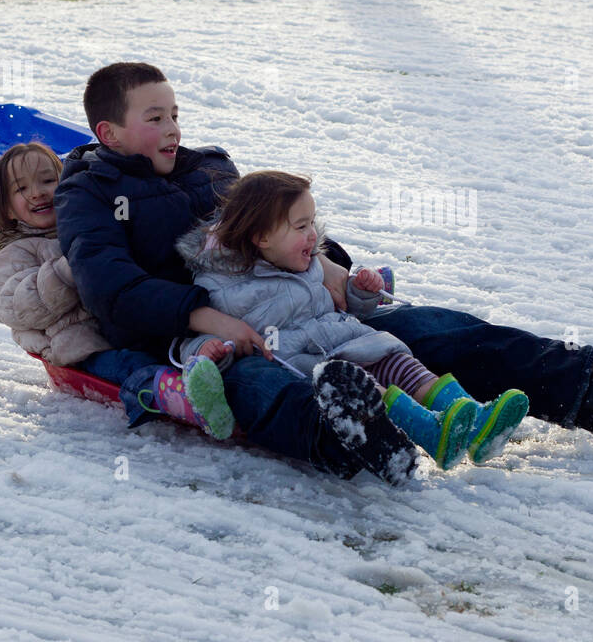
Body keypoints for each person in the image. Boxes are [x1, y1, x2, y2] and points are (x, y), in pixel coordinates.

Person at [55, 62, 593, 486]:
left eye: (176, 113)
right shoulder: (89, 195)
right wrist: (203, 315)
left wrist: (329, 261)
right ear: (109, 134)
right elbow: (111, 291)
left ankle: (586, 386)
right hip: (211, 344)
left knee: (425, 328)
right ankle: (354, 443)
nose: (174, 127)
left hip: (300, 303)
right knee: (267, 388)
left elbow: (279, 222)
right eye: (155, 117)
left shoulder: (208, 168)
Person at [175, 170, 530, 470]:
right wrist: (208, 351)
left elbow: (347, 308)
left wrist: (362, 290)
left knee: (399, 362)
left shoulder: (309, 262)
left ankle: (472, 418)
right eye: (300, 226)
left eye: (311, 222)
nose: (312, 235)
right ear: (261, 236)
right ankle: (433, 434)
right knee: (363, 388)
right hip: (311, 361)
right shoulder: (222, 286)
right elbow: (207, 339)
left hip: (345, 336)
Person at [0, 142, 234, 440]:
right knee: (132, 366)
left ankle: (207, 379)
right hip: (82, 350)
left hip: (123, 328)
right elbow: (20, 306)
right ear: (5, 208)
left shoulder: (88, 223)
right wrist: (73, 267)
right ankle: (180, 398)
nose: (37, 192)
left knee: (171, 347)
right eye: (21, 188)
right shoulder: (12, 254)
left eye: (47, 181)